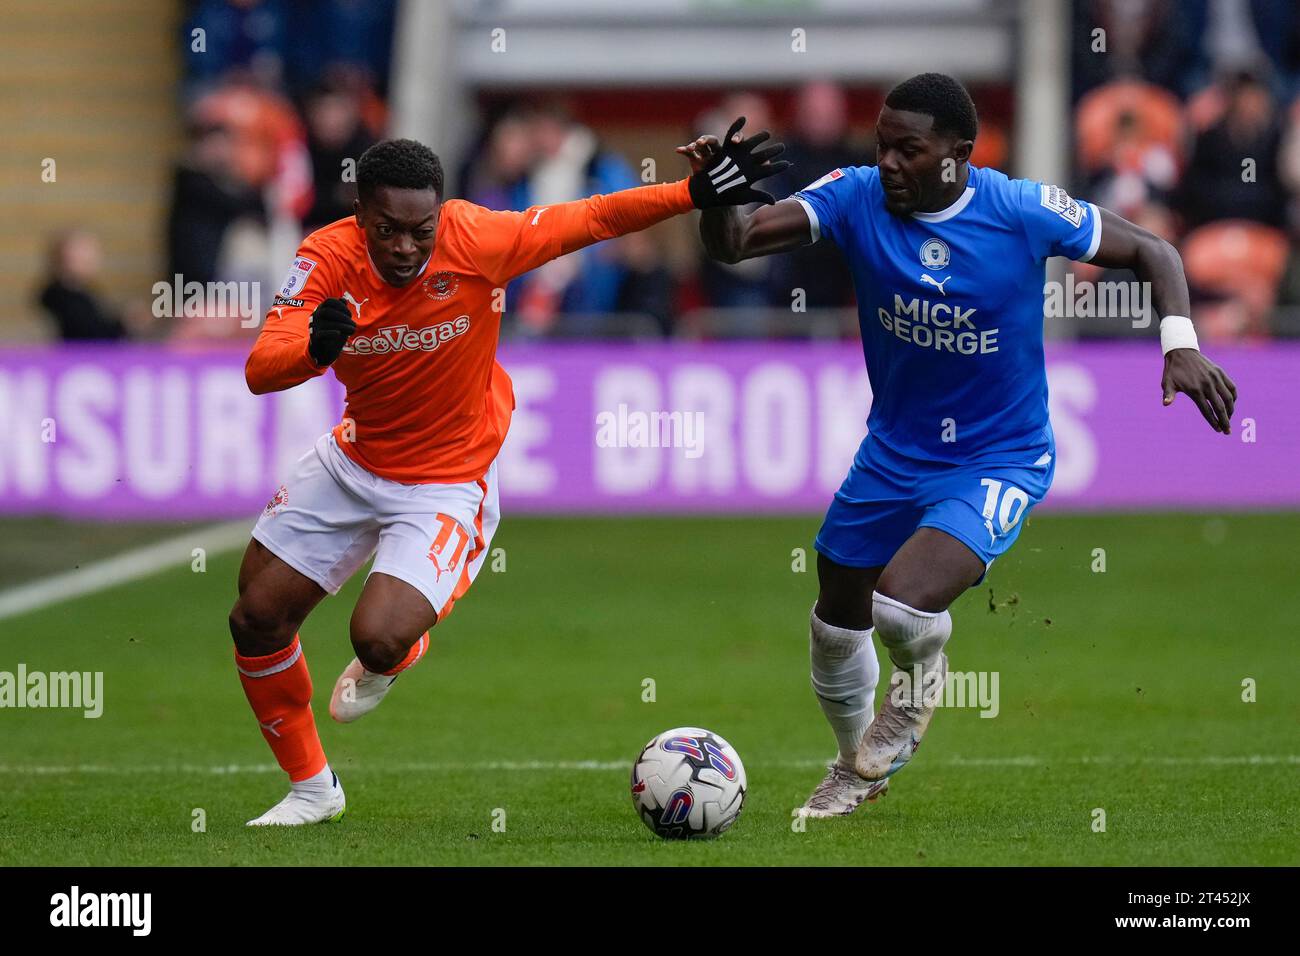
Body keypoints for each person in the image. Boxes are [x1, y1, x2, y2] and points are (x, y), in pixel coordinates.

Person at [684, 73, 1237, 818]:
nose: (887, 162)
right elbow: (739, 243)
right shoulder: (856, 195)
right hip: (894, 452)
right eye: (882, 145)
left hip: (998, 456)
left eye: (907, 149)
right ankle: (856, 765)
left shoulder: (1019, 209)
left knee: (902, 609)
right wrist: (716, 194)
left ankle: (917, 692)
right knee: (833, 621)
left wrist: (1179, 343)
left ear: (958, 154)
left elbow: (1154, 251)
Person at [232, 133, 788, 825]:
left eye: (419, 231)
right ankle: (314, 789)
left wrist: (691, 194)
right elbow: (263, 365)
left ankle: (404, 644)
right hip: (356, 459)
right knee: (255, 618)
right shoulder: (325, 257)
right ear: (358, 214)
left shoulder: (478, 239)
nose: (406, 248)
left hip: (447, 479)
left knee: (376, 639)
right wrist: (312, 351)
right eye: (388, 232)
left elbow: (593, 217)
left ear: (440, 217)